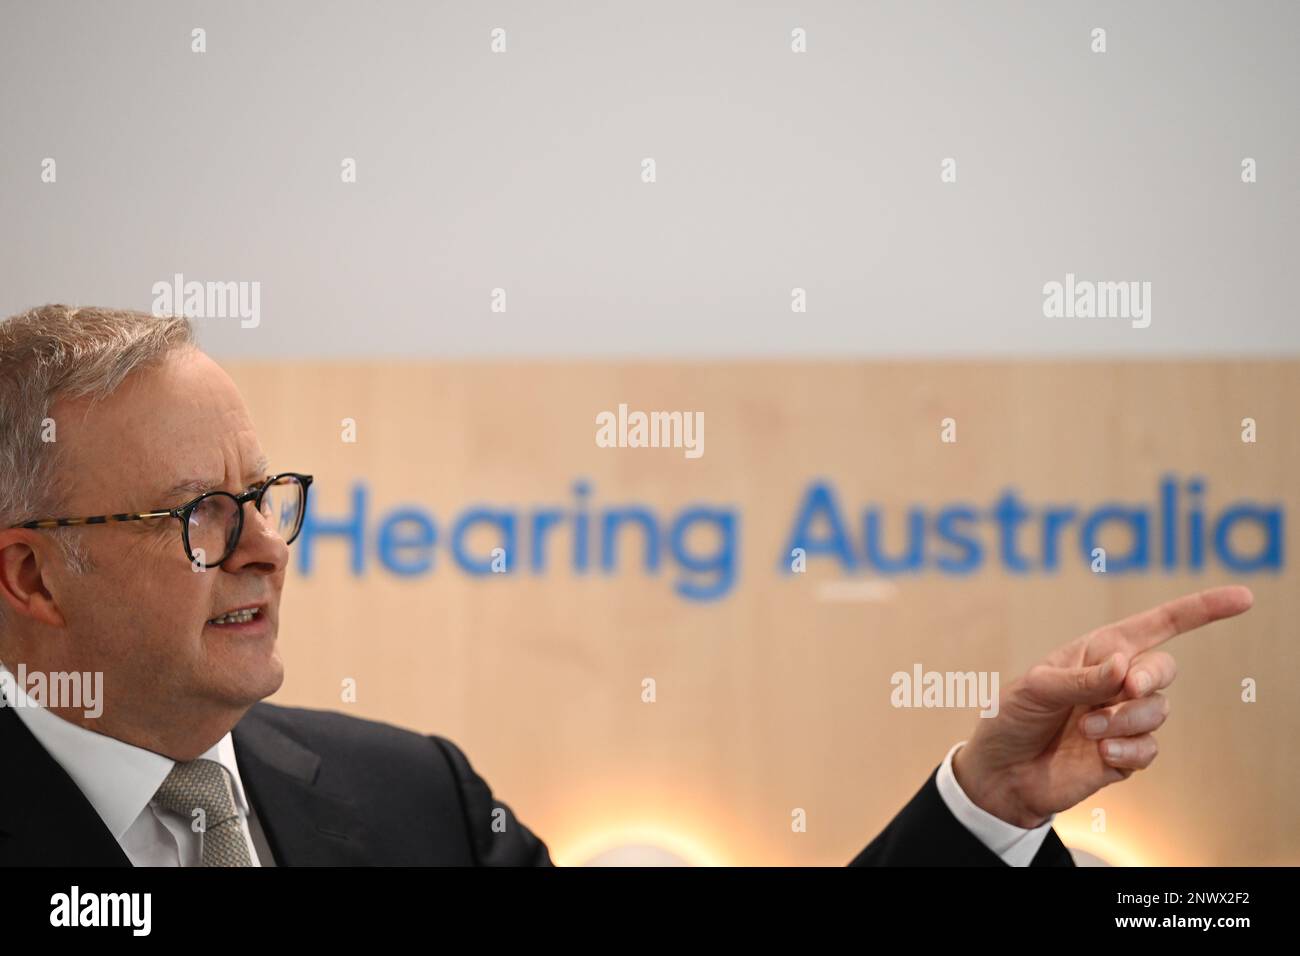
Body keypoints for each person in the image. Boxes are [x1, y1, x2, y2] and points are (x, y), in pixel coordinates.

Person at [0, 305, 1254, 866]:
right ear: (31, 575)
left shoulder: (414, 799)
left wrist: (986, 803)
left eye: (267, 497)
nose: (268, 545)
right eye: (200, 515)